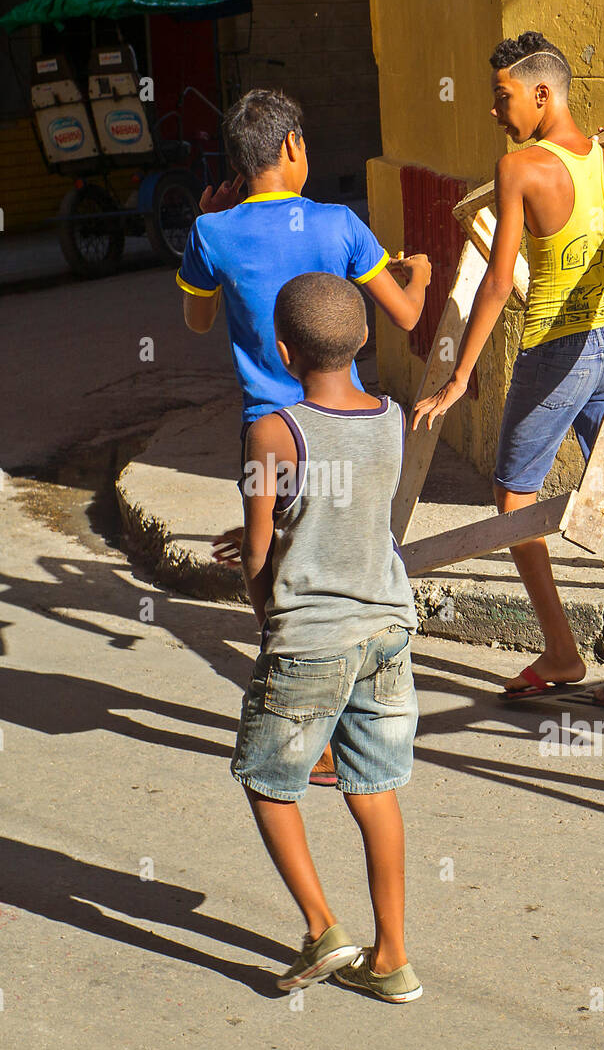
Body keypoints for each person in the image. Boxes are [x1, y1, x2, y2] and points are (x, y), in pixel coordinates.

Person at [179, 88, 431, 784]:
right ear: (292, 147)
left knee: (279, 573)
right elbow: (407, 316)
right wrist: (420, 273)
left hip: (268, 435)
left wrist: (206, 221)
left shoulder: (212, 233)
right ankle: (358, 729)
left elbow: (199, 322)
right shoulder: (338, 223)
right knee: (348, 566)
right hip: (344, 430)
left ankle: (301, 724)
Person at [413, 32, 604, 717]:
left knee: (513, 497)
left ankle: (561, 649)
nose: (496, 111)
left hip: (554, 346)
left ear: (541, 94)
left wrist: (459, 377)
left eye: (502, 96)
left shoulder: (519, 167)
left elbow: (497, 280)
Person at [231, 271, 422, 1002]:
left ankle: (322, 929)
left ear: (282, 349)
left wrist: (266, 611)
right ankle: (392, 957)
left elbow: (257, 552)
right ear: (365, 338)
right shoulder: (392, 415)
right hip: (385, 628)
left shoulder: (272, 431)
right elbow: (349, 510)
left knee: (268, 781)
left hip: (311, 636)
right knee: (373, 789)